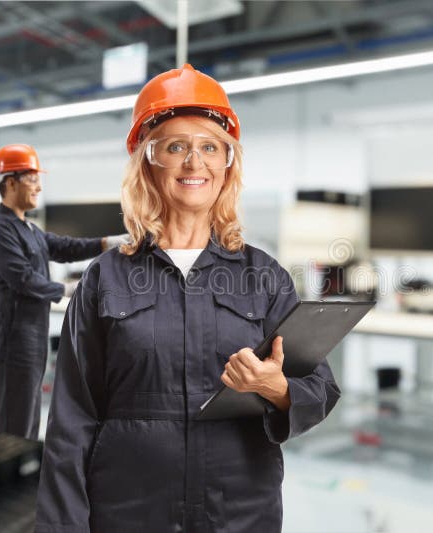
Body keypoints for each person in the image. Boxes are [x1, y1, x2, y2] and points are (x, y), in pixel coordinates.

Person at [35, 64, 341, 532]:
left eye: (209, 147)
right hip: (129, 509)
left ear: (226, 165)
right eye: (175, 146)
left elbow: (320, 388)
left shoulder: (263, 276)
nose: (194, 162)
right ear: (148, 165)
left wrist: (275, 389)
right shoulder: (105, 277)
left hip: (238, 510)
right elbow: (71, 422)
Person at [0, 143, 129, 440]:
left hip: (33, 332)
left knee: (30, 412)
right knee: (14, 418)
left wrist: (108, 242)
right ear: (10, 182)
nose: (39, 187)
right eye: (32, 179)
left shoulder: (29, 229)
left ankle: (24, 470)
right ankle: (9, 473)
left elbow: (64, 247)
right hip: (12, 335)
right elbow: (22, 279)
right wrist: (69, 289)